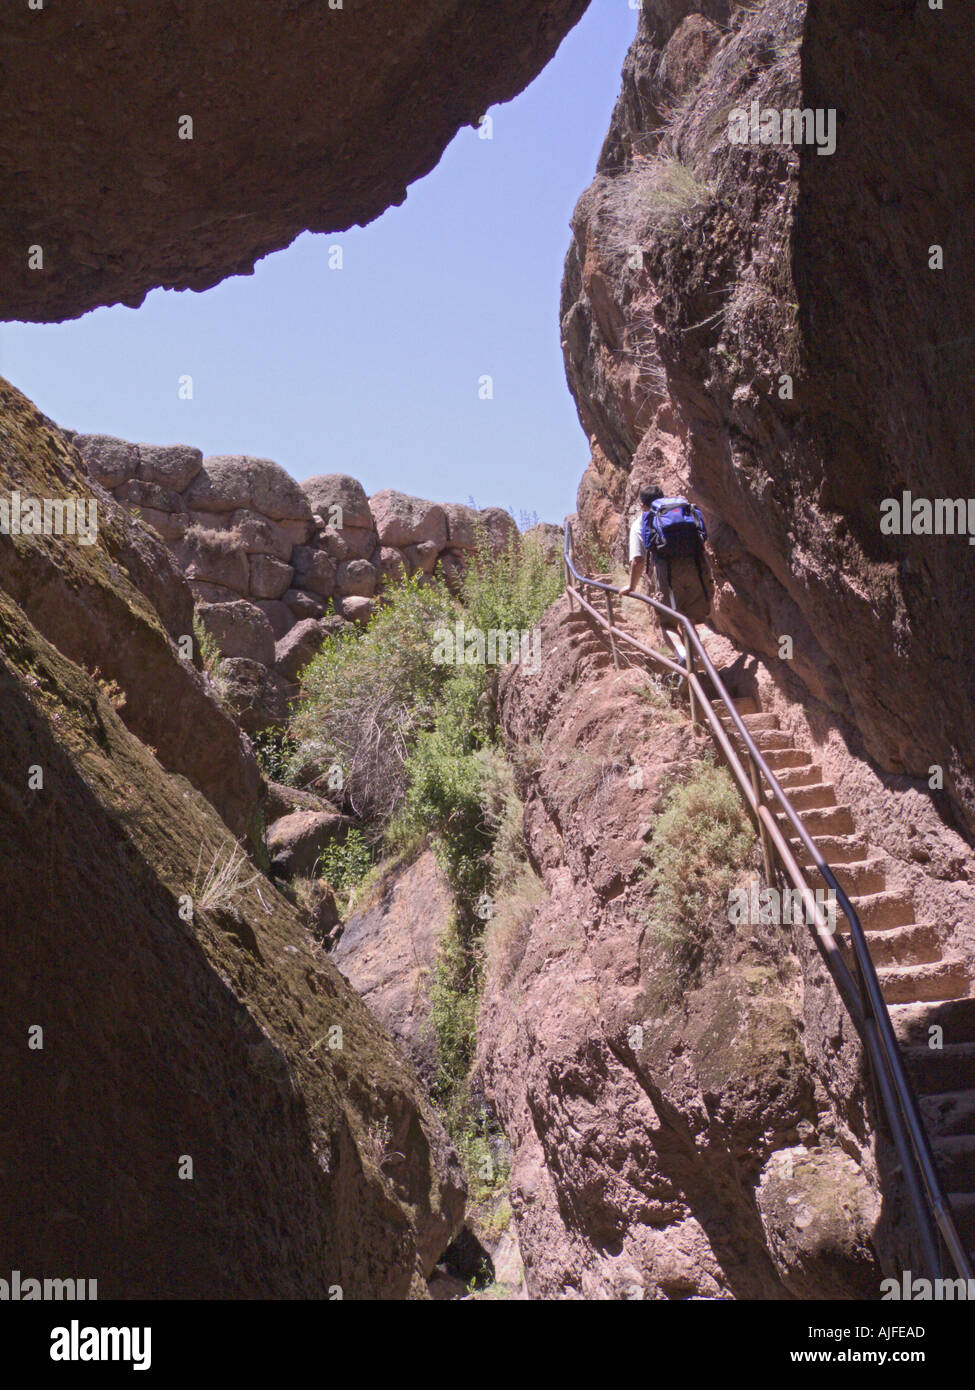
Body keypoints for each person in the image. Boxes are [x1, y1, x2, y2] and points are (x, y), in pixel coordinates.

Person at [619, 483, 711, 626]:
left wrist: (631, 587)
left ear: (642, 505)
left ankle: (680, 649)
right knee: (690, 621)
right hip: (696, 566)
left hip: (668, 572)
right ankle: (692, 648)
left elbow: (638, 560)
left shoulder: (641, 523)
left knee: (669, 625)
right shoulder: (682, 510)